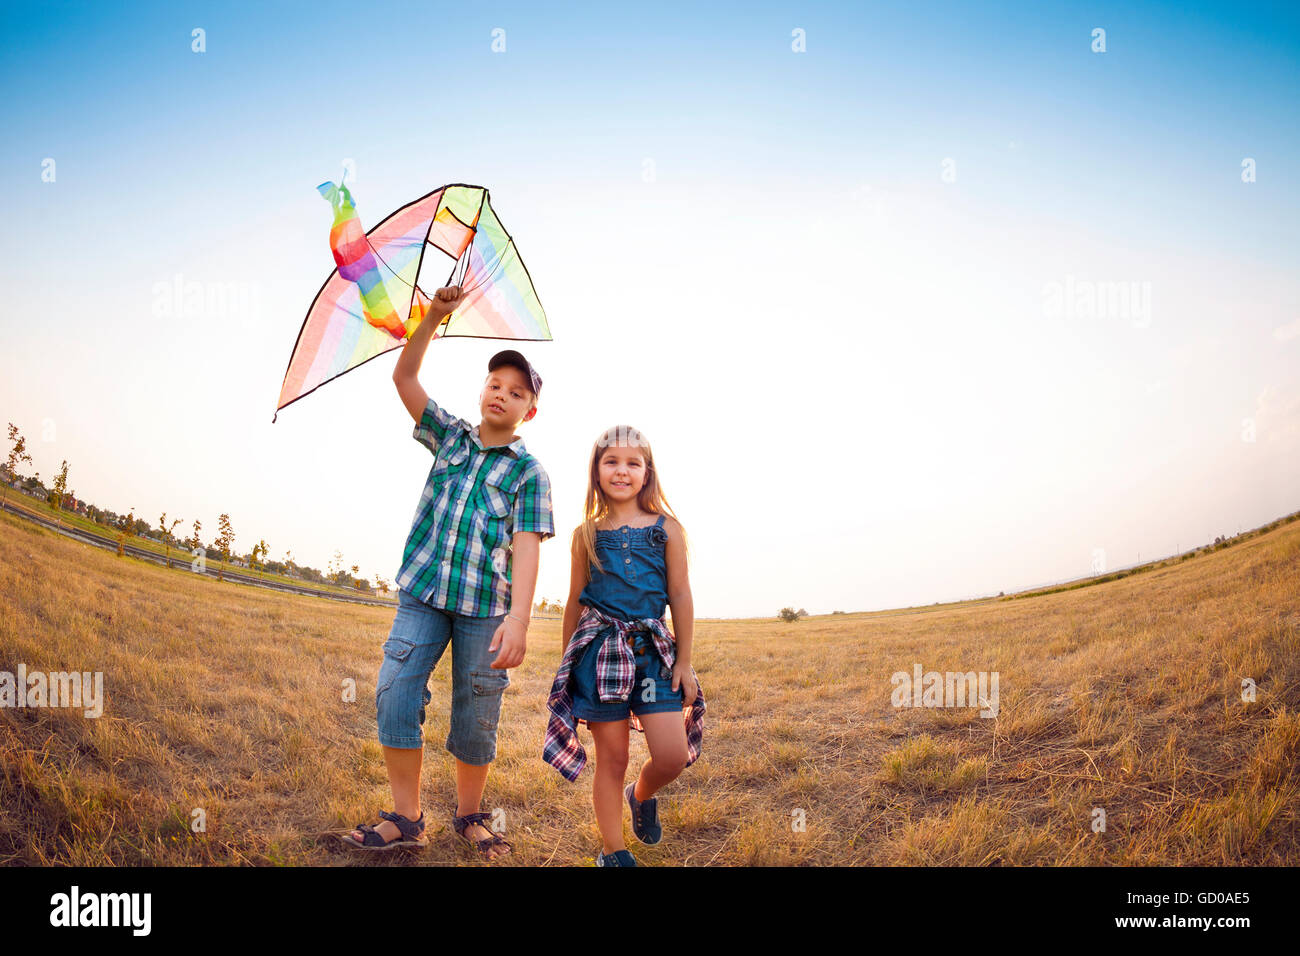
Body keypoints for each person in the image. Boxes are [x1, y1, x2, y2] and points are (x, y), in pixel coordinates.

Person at [344, 285, 555, 860]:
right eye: (495, 384)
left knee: (476, 714)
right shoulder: (451, 438)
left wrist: (520, 621)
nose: (501, 395)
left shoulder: (529, 473)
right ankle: (406, 817)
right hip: (422, 595)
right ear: (482, 390)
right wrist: (433, 317)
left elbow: (528, 548)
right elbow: (404, 379)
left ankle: (469, 815)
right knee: (394, 695)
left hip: (486, 609)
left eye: (516, 392)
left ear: (528, 410)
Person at [543, 425, 705, 866]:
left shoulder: (666, 528)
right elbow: (575, 605)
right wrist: (568, 669)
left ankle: (642, 793)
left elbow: (681, 593)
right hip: (599, 660)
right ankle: (613, 852)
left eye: (633, 462)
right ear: (596, 471)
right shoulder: (585, 535)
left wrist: (684, 661)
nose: (622, 470)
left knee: (671, 756)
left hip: (652, 657)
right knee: (611, 758)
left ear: (647, 472)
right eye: (611, 461)